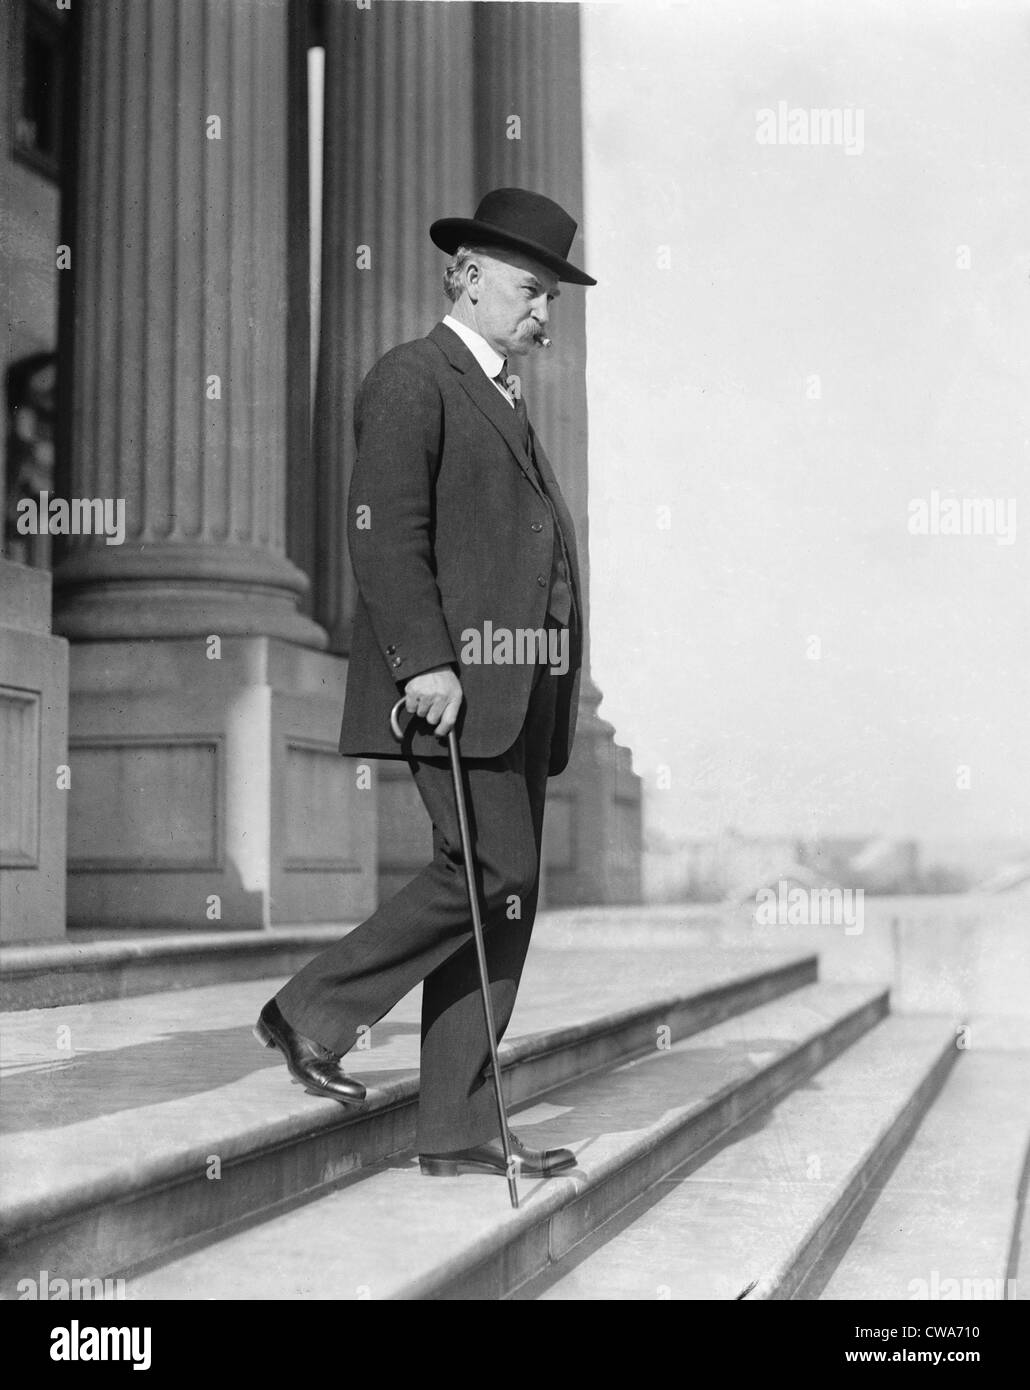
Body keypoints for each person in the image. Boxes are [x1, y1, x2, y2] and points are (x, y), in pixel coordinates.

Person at [255, 188, 596, 1178]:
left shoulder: (500, 397)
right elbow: (386, 533)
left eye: (552, 298)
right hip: (454, 684)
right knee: (490, 874)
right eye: (531, 290)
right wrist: (427, 661)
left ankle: (454, 1127)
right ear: (469, 275)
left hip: (520, 692)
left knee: (505, 894)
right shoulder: (415, 377)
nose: (543, 311)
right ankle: (310, 1011)